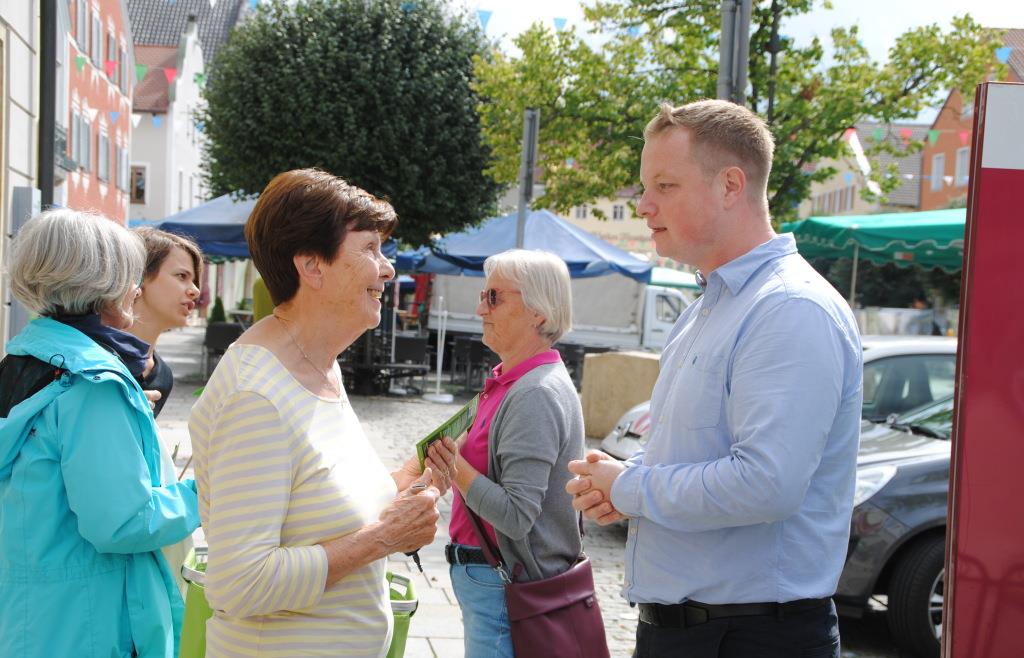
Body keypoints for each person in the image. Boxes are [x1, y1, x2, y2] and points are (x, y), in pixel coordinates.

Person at [567, 100, 863, 658]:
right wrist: (629, 483)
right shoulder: (713, 306)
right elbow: (700, 455)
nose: (645, 205)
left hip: (750, 636)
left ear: (731, 185)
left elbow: (765, 484)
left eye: (665, 184)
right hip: (703, 630)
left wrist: (629, 488)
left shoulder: (789, 308)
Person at [188, 168, 451, 657]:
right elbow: (238, 584)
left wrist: (412, 482)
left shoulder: (318, 366)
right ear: (312, 266)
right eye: (370, 248)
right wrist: (384, 538)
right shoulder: (257, 397)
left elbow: (321, 509)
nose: (388, 268)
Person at [0, 209, 201, 657]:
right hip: (93, 627)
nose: (135, 288)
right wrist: (206, 491)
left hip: (36, 621)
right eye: (130, 274)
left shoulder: (23, 360)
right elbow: (124, 522)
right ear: (103, 283)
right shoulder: (94, 383)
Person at [445, 249, 585, 658]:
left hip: (503, 583)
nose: (479, 308)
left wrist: (452, 464)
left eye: (493, 297)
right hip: (495, 582)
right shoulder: (514, 382)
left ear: (538, 312)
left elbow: (516, 515)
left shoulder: (534, 393)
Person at [129, 227, 203, 418]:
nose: (195, 290)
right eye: (182, 276)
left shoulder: (163, 376)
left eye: (194, 280)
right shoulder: (92, 358)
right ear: (139, 276)